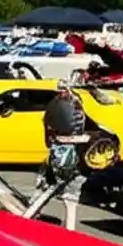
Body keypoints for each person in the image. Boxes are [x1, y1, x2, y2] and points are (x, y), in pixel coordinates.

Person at [38, 79, 87, 230]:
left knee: (60, 188)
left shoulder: (73, 105)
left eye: (62, 91)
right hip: (63, 148)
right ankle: (35, 213)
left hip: (68, 150)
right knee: (48, 186)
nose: (60, 93)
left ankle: (69, 228)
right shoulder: (62, 105)